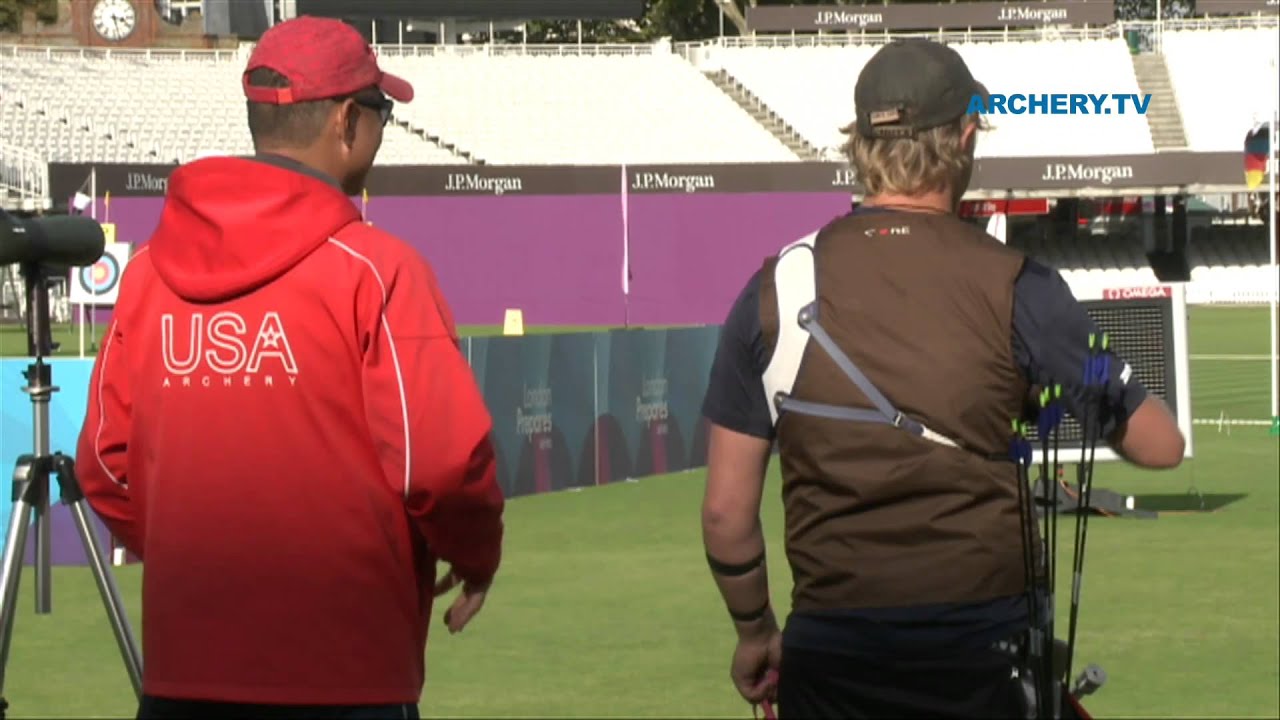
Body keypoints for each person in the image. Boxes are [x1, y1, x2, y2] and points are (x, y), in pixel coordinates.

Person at [698, 38, 1186, 719]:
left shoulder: (773, 291)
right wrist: (1091, 365)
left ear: (860, 145)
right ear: (964, 138)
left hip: (829, 661)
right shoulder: (1023, 288)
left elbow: (725, 514)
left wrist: (756, 633)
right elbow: (1160, 444)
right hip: (981, 662)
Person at [75, 16, 505, 720]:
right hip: (348, 677)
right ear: (346, 120)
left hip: (185, 673)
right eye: (381, 113)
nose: (381, 130)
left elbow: (105, 463)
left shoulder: (149, 275)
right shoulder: (379, 270)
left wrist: (200, 558)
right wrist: (477, 554)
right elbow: (440, 466)